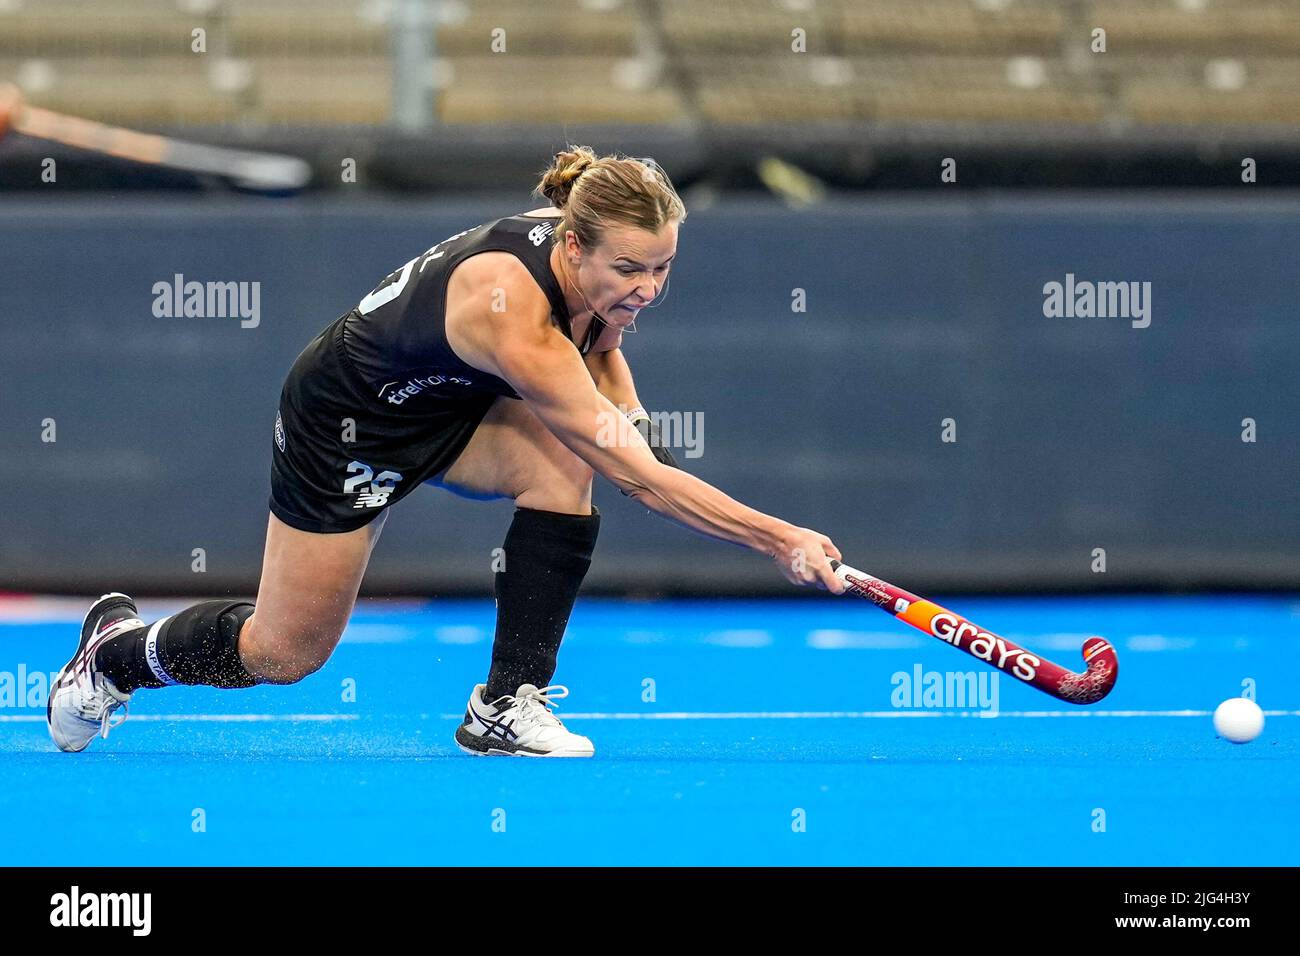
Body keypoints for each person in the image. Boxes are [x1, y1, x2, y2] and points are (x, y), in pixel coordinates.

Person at [48, 145, 845, 758]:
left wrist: (633, 420)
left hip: (455, 412)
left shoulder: (593, 280)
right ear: (572, 246)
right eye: (630, 268)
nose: (646, 287)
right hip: (346, 424)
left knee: (565, 462)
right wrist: (777, 537)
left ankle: (505, 704)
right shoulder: (513, 310)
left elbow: (603, 355)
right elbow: (639, 478)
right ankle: (114, 660)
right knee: (283, 653)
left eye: (663, 267)